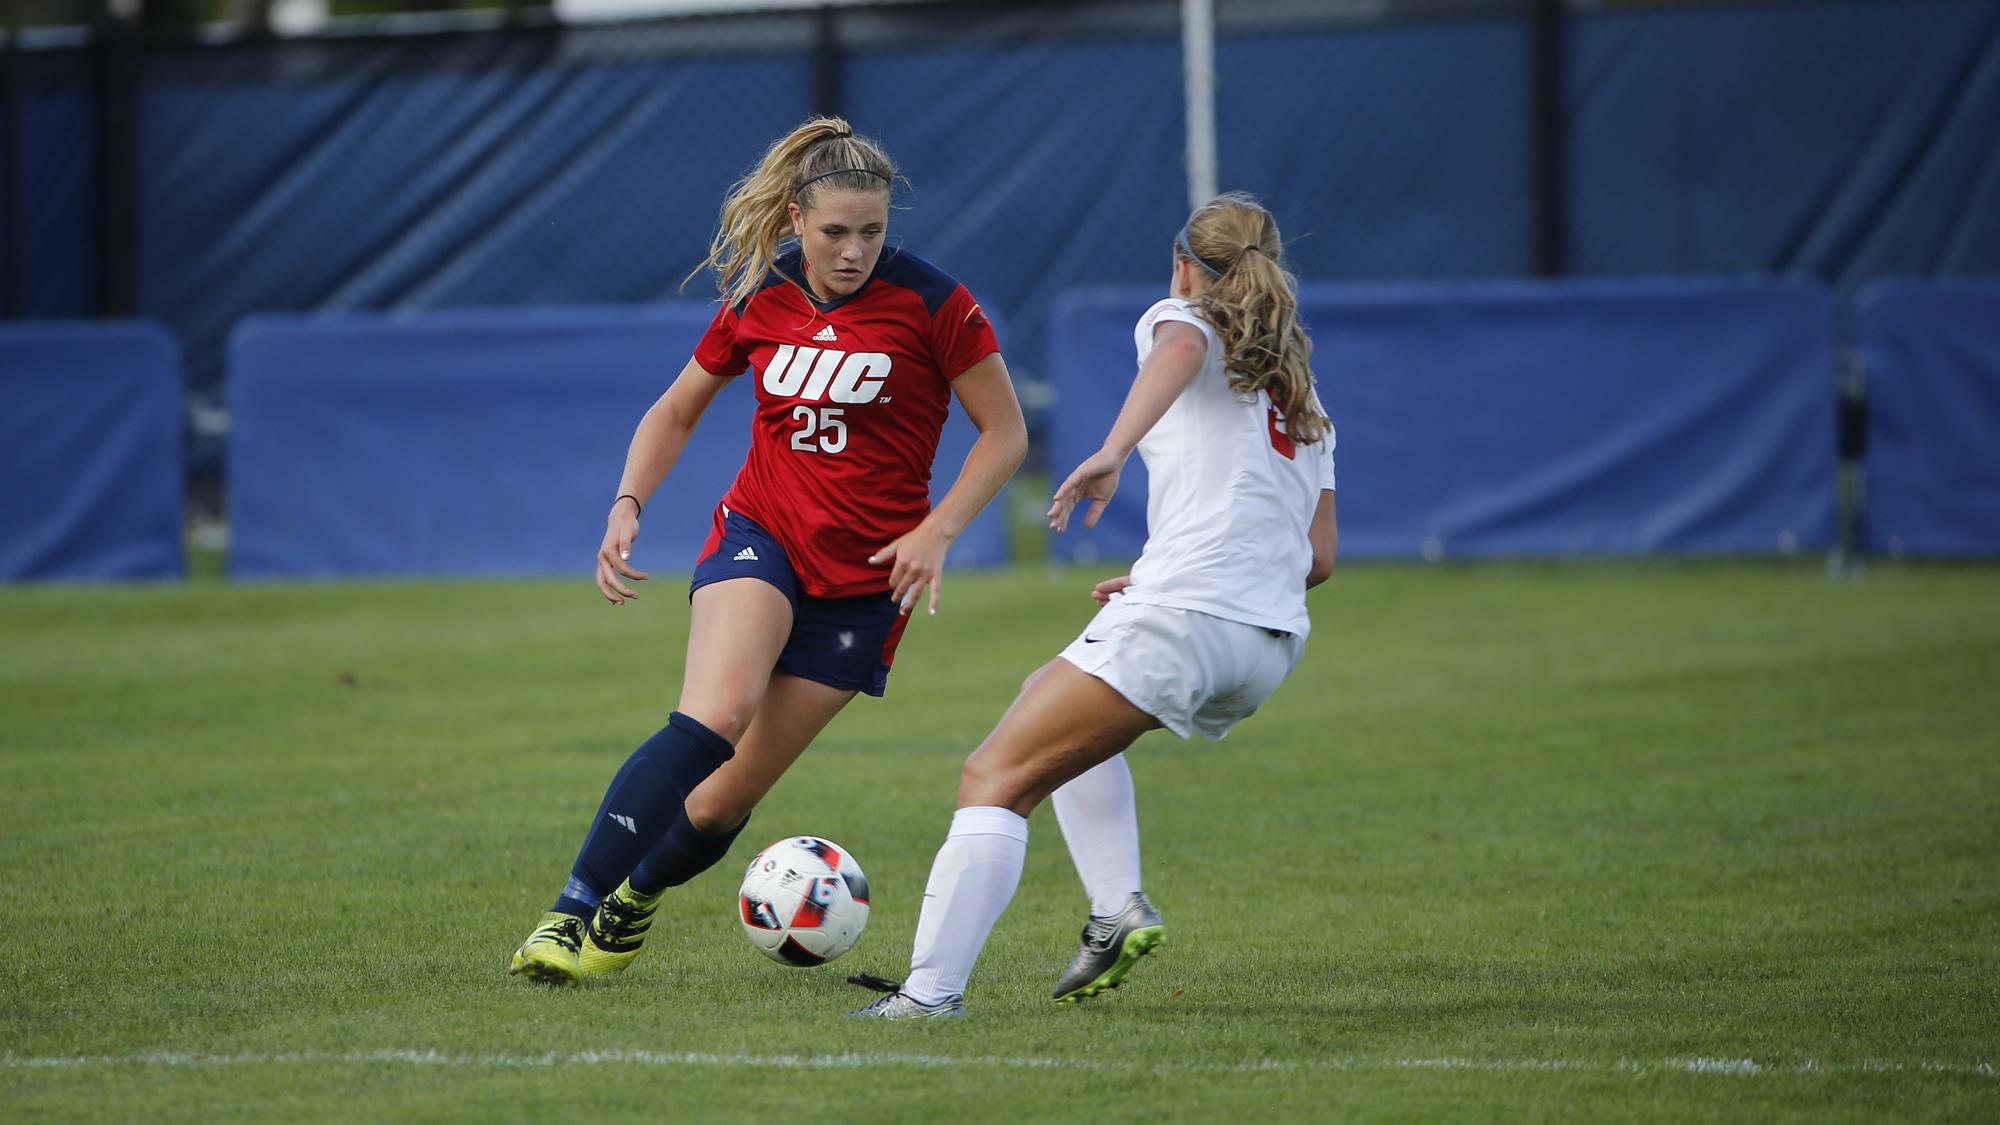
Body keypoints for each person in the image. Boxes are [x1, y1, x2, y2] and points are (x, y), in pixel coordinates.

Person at [509, 116, 1027, 986]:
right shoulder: (762, 295)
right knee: (714, 716)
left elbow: (1004, 433)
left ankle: (632, 900)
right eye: (835, 232)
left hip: (868, 584)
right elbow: (675, 410)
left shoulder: (937, 304)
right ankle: (568, 911)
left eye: (872, 231)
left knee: (724, 798)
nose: (855, 249)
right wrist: (627, 503)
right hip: (763, 536)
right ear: (796, 220)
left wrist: (939, 527)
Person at [850, 193, 1336, 1019]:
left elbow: (1180, 344)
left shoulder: (1185, 315)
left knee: (992, 776)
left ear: (1187, 262)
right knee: (1055, 688)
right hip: (1265, 643)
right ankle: (1116, 908)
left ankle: (929, 996)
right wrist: (1168, 579)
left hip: (1188, 615)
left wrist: (1111, 452)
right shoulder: (1301, 393)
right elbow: (1318, 560)